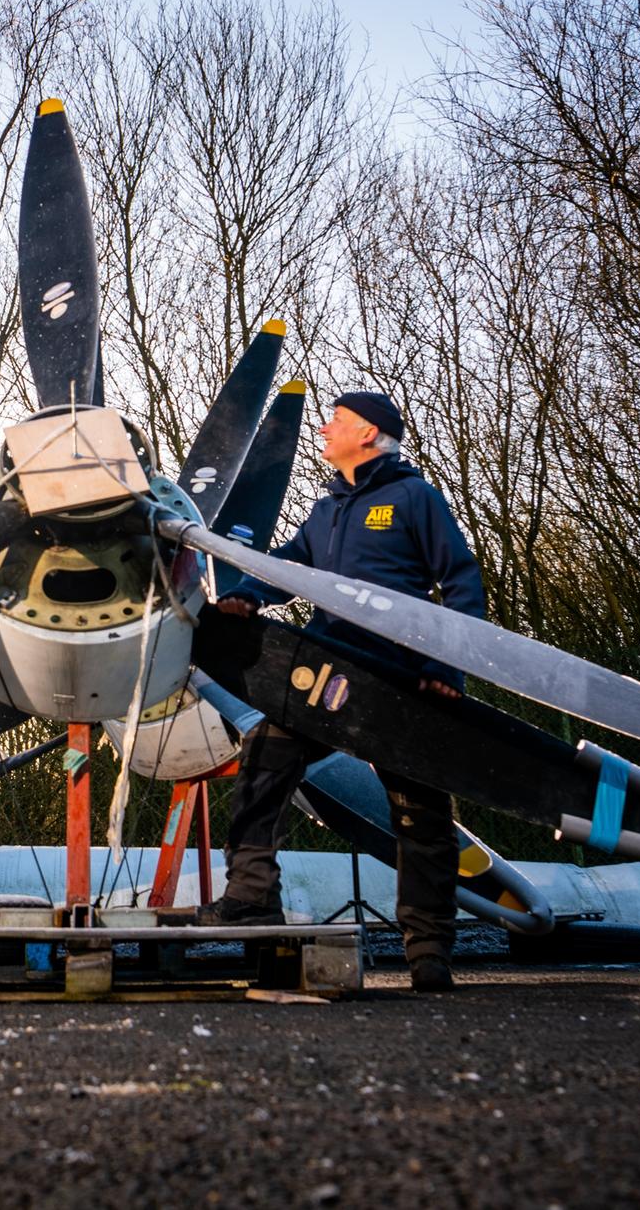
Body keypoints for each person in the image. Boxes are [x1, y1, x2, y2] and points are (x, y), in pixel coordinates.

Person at [198, 391, 486, 993]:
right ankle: (251, 897)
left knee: (420, 814)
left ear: (370, 434)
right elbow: (290, 567)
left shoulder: (414, 498)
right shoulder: (325, 512)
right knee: (263, 763)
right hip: (324, 673)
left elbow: (459, 578)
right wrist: (249, 592)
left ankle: (429, 950)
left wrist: (447, 668)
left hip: (401, 681)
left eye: (337, 422)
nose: (325, 430)